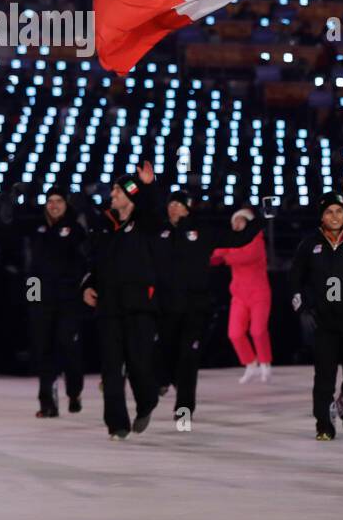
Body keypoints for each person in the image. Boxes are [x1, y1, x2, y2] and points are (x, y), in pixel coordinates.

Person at [151, 189, 264, 420]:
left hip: (195, 308)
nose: (175, 207)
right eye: (171, 203)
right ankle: (164, 380)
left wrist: (263, 217)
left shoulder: (201, 231)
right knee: (165, 354)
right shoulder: (156, 232)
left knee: (188, 360)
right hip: (165, 308)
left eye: (180, 204)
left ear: (188, 207)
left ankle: (184, 411)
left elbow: (238, 239)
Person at [80, 164, 163, 440]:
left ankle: (147, 401)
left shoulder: (146, 224)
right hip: (108, 305)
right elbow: (92, 259)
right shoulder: (103, 223)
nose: (112, 194)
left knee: (139, 363)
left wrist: (148, 186)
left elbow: (153, 209)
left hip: (139, 304)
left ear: (131, 195)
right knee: (111, 367)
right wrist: (88, 285)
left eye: (118, 190)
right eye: (113, 189)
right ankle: (116, 423)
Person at [289, 192, 343, 441]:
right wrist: (302, 310)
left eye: (339, 211)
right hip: (324, 322)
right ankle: (324, 424)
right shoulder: (309, 244)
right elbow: (294, 280)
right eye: (329, 211)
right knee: (324, 377)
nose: (335, 216)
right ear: (322, 215)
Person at [5, 185, 88, 417]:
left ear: (66, 204)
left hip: (67, 299)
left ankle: (74, 391)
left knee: (67, 345)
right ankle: (47, 403)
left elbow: (85, 261)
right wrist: (32, 299)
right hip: (41, 298)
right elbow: (13, 230)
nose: (54, 205)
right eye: (50, 201)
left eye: (59, 201)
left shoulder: (75, 230)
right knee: (43, 349)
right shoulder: (36, 227)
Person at [211, 206, 273, 385]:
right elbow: (215, 255)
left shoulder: (256, 240)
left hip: (259, 293)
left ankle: (265, 364)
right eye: (235, 221)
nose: (237, 224)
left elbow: (246, 256)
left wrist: (224, 257)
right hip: (239, 295)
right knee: (235, 333)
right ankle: (250, 364)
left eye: (241, 220)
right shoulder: (230, 241)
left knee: (258, 330)